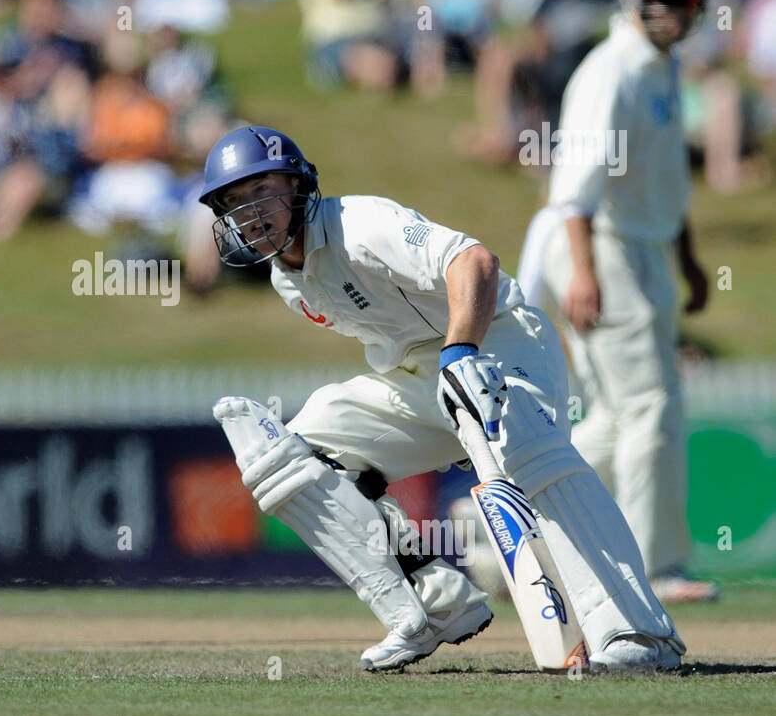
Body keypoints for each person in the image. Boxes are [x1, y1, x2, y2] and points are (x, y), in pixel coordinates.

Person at [198, 125, 685, 672]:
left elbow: (475, 261)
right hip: (416, 376)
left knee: (518, 440)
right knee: (289, 459)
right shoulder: (286, 280)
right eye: (234, 202)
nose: (251, 212)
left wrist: (461, 354)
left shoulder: (360, 225)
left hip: (496, 336)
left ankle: (637, 632)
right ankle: (432, 606)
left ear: (298, 187)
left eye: (262, 191)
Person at [537, 0, 716, 604]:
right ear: (641, 4)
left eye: (690, 6)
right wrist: (583, 273)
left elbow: (667, 178)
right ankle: (656, 565)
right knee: (650, 405)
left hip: (644, 246)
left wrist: (690, 259)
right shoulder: (612, 70)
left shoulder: (660, 66)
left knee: (617, 417)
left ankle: (507, 536)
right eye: (673, 6)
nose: (684, 18)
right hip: (601, 245)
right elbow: (574, 185)